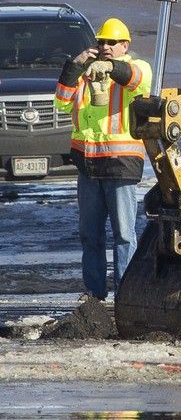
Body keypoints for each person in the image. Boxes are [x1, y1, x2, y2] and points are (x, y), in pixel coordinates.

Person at [53, 17, 151, 300]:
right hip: (89, 168)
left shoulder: (136, 67)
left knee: (124, 236)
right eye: (101, 42)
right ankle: (94, 295)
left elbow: (135, 78)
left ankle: (126, 294)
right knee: (90, 236)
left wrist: (109, 67)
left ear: (125, 45)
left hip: (120, 166)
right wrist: (76, 64)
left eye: (112, 43)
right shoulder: (85, 74)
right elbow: (60, 100)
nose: (105, 47)